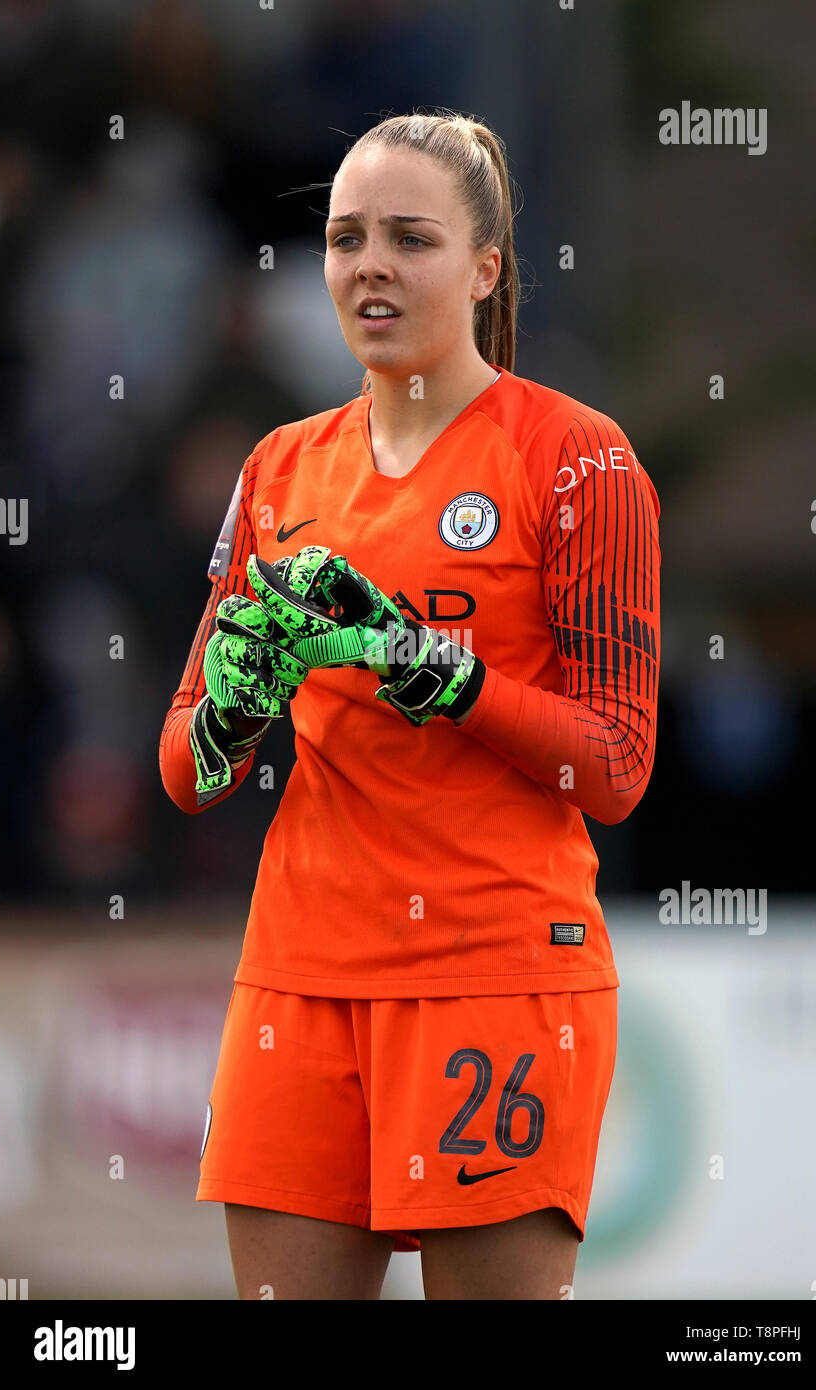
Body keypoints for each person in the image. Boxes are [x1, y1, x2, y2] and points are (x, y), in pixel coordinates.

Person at [159, 108, 660, 1300]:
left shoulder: (578, 458)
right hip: (298, 979)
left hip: (497, 973)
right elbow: (185, 769)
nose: (369, 264)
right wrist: (235, 705)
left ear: (485, 270)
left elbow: (616, 766)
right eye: (346, 238)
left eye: (409, 239)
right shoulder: (280, 466)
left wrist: (431, 667)